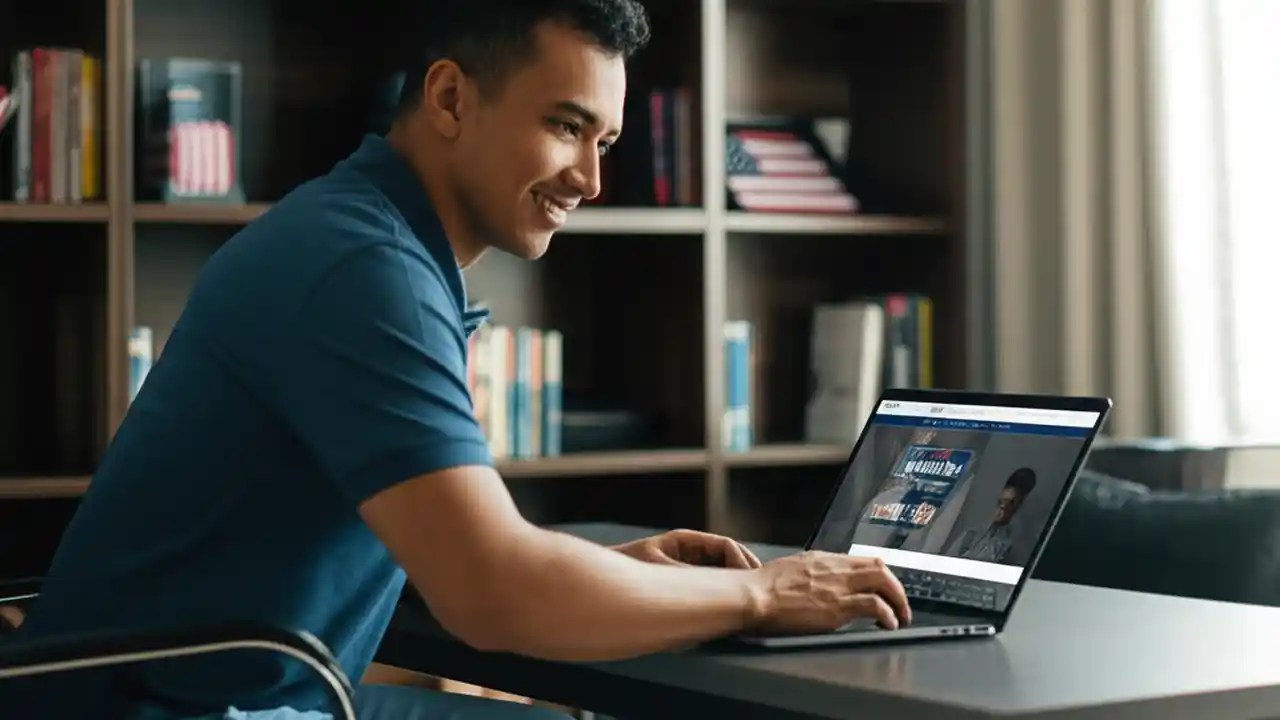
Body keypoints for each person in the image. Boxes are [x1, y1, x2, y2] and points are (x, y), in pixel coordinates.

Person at [6, 2, 912, 719]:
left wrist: (620, 578)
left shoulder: (361, 238)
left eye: (605, 142)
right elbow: (493, 594)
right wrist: (764, 596)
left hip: (213, 687)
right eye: (565, 126)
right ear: (448, 98)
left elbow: (460, 563)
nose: (591, 181)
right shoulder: (363, 268)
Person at [946, 468, 1038, 564]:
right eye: (1001, 502)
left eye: (1011, 503)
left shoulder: (1022, 545)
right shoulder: (972, 533)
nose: (1003, 507)